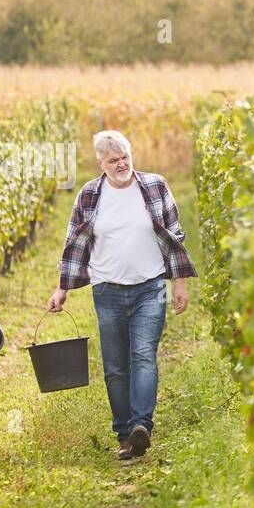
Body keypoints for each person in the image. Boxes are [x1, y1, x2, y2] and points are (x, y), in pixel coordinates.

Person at [47, 130, 195, 460]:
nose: (121, 164)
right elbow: (74, 244)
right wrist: (62, 290)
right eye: (113, 160)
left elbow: (174, 235)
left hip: (150, 287)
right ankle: (124, 434)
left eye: (125, 157)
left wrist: (179, 282)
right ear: (101, 163)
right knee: (115, 366)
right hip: (108, 290)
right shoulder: (89, 195)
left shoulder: (155, 186)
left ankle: (141, 425)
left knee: (143, 354)